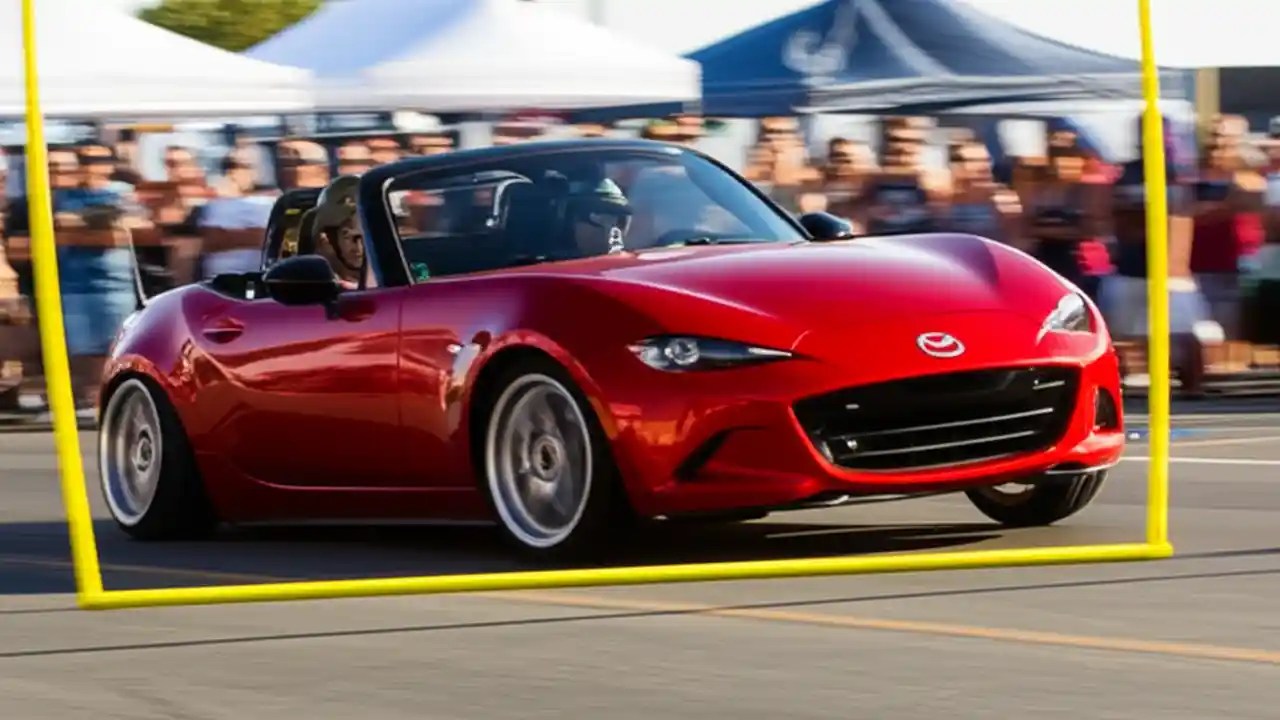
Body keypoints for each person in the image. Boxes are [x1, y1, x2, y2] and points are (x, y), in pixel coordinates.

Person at [310, 175, 365, 289]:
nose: (359, 247)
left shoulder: (390, 278)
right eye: (347, 236)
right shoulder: (318, 288)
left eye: (365, 237)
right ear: (326, 240)